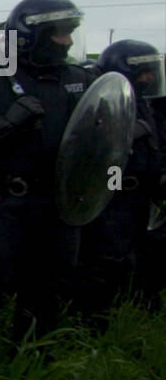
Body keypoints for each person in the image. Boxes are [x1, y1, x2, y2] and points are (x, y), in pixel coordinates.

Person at [0, 0, 92, 343]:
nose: (68, 41)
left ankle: (35, 354)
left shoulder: (80, 80)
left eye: (71, 31)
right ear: (32, 34)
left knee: (49, 285)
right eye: (59, 33)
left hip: (56, 205)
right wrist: (6, 124)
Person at [77, 40, 164, 317]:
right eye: (142, 72)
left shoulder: (150, 106)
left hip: (141, 195)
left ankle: (138, 310)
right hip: (111, 192)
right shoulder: (102, 100)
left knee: (138, 254)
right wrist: (122, 134)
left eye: (152, 71)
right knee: (105, 257)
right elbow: (84, 148)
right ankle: (92, 321)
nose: (148, 78)